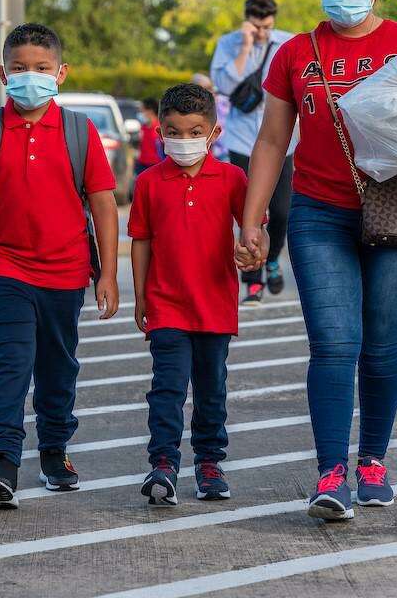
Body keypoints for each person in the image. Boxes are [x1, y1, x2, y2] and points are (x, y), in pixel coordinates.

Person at [239, 0, 397, 521]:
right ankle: (331, 473)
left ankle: (373, 462)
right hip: (319, 214)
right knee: (334, 345)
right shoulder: (295, 53)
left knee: (383, 346)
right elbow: (270, 142)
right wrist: (253, 219)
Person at [0, 22, 121, 509]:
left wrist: (106, 272)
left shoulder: (78, 132)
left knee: (57, 366)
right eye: (20, 69)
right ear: (3, 74)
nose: (31, 77)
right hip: (4, 269)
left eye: (41, 69)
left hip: (66, 272)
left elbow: (103, 204)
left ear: (61, 73)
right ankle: (2, 463)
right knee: (9, 366)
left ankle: (54, 451)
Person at [128, 83, 263, 506]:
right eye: (173, 131)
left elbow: (254, 230)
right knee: (166, 389)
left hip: (215, 307)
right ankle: (163, 464)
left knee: (211, 389)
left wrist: (254, 250)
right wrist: (140, 297)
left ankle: (209, 463)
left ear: (213, 134)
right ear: (159, 131)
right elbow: (141, 241)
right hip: (166, 305)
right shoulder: (148, 182)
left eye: (193, 132)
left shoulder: (231, 179)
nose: (182, 141)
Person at [210, 0, 295, 304]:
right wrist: (245, 47)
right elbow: (224, 85)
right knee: (249, 213)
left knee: (282, 211)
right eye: (256, 26)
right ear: (246, 21)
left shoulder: (287, 42)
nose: (262, 32)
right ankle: (253, 279)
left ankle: (272, 259)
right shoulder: (229, 44)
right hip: (243, 140)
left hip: (283, 139)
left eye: (267, 27)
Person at [134, 96, 163, 176]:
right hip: (141, 165)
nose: (140, 113)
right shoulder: (143, 127)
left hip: (155, 166)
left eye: (142, 110)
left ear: (150, 111)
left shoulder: (159, 128)